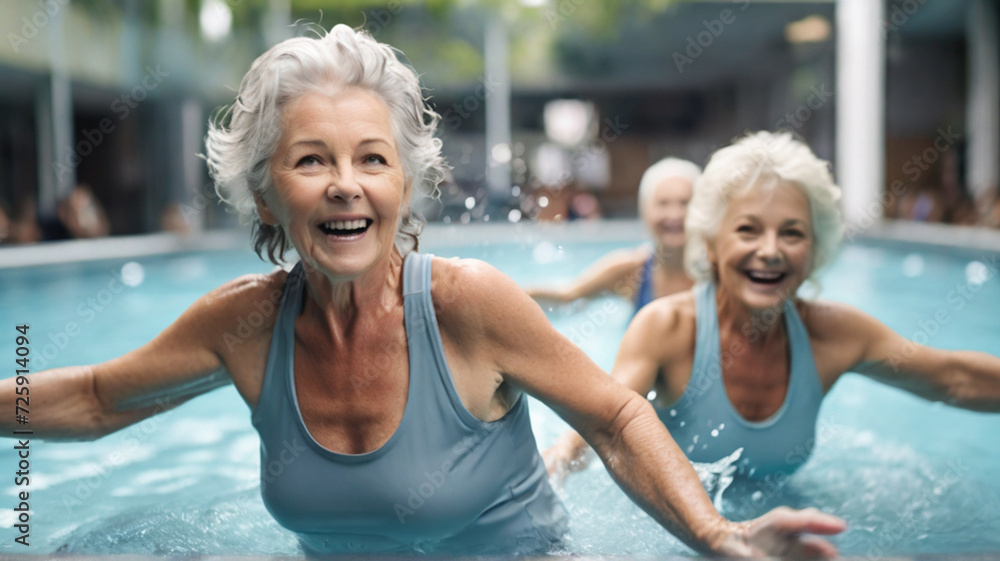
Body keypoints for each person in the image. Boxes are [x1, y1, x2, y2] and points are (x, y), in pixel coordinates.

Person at [0, 28, 846, 557]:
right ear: (265, 193)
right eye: (311, 160)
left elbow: (616, 416)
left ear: (405, 183)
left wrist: (715, 534)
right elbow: (101, 397)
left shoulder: (467, 305)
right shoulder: (244, 322)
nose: (345, 185)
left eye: (372, 158)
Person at [545, 131, 1000, 482]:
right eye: (748, 229)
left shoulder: (836, 334)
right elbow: (604, 422)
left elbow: (953, 378)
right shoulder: (666, 327)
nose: (770, 250)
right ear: (712, 243)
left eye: (792, 233)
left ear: (814, 248)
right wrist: (558, 463)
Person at [527, 158, 700, 313]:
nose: (675, 214)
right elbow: (566, 296)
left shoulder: (716, 269)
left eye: (685, 203)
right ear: (645, 210)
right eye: (663, 203)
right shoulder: (631, 271)